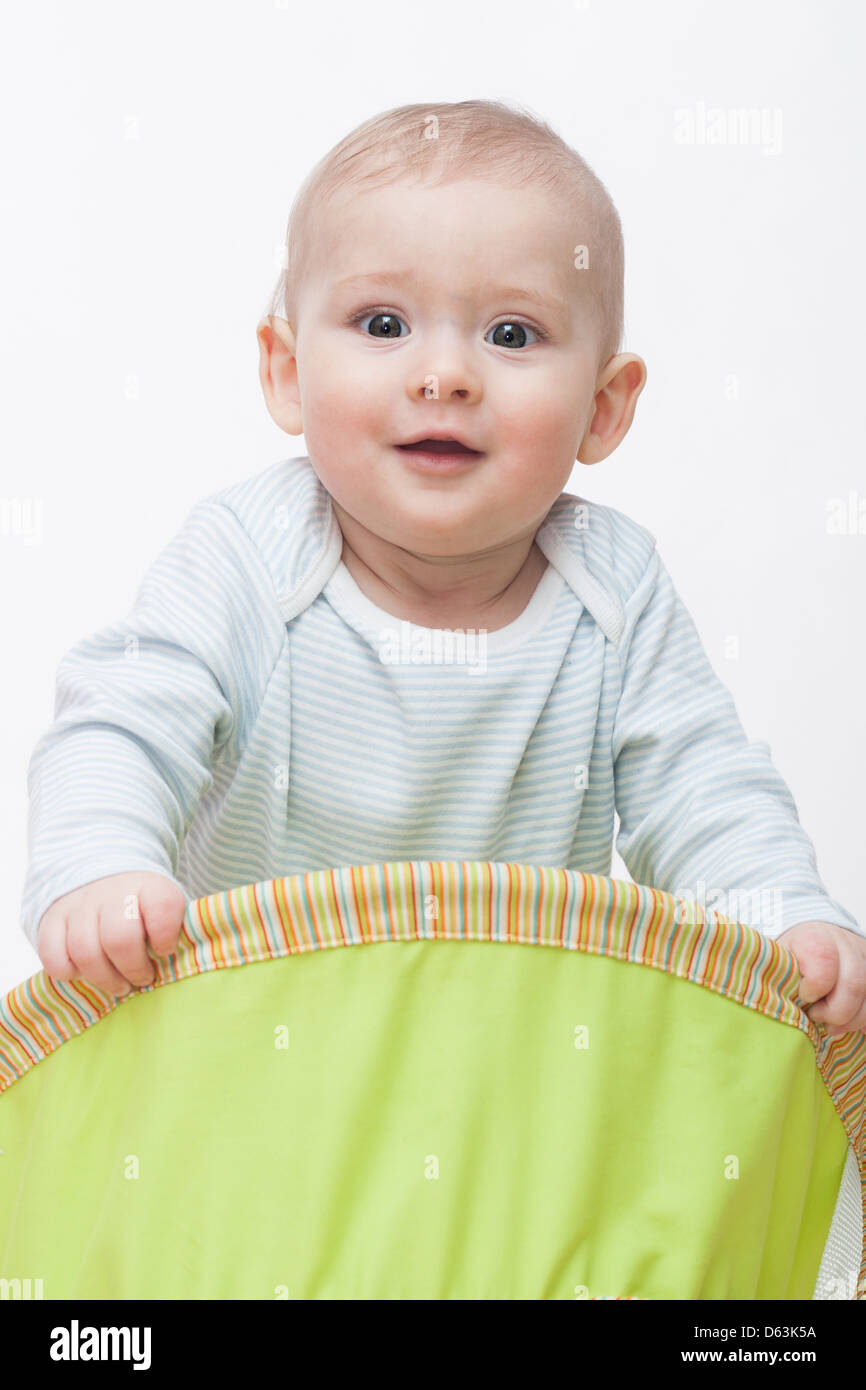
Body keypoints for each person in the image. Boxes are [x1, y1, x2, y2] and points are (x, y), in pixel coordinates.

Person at [22, 99, 866, 1040]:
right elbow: (120, 728)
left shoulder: (612, 589)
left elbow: (701, 785)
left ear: (603, 407)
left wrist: (781, 910)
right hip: (251, 1053)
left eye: (512, 335)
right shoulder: (247, 557)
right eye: (383, 323)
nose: (443, 376)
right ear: (287, 373)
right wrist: (101, 863)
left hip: (509, 1070)